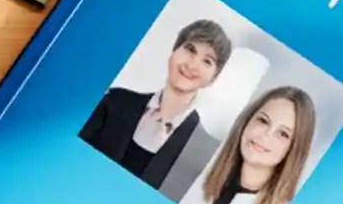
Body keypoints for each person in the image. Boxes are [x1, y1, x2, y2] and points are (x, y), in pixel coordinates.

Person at [79, 20, 232, 189]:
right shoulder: (115, 101)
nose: (192, 65)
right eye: (190, 49)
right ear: (174, 51)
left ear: (214, 77)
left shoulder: (202, 149)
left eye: (207, 61)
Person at [183, 86, 317, 204]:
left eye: (283, 134)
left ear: (294, 150)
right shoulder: (197, 169)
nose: (266, 135)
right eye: (263, 121)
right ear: (247, 121)